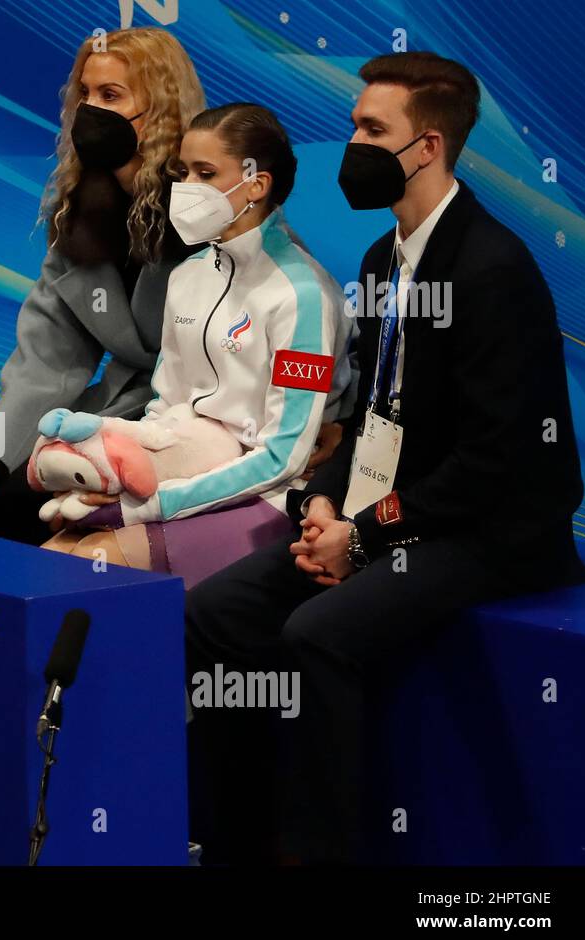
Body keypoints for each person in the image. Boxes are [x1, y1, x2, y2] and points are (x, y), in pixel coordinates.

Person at [183, 51, 585, 865]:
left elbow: (495, 465)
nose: (353, 143)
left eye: (373, 129)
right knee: (215, 611)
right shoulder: (381, 263)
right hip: (396, 514)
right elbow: (371, 414)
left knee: (316, 635)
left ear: (428, 147)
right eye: (355, 124)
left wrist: (366, 537)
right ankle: (230, 844)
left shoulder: (492, 271)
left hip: (491, 532)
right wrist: (324, 504)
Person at [0, 28, 337, 543]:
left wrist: (333, 421)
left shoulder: (217, 214)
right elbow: (47, 364)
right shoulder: (78, 216)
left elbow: (305, 331)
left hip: (214, 436)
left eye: (111, 95)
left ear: (161, 109)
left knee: (53, 526)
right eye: (85, 95)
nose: (90, 110)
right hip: (131, 419)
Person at [40, 103, 358, 588]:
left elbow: (286, 455)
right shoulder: (187, 276)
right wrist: (134, 476)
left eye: (205, 173)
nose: (186, 187)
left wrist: (157, 503)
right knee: (54, 552)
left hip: (271, 494)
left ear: (257, 184)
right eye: (183, 171)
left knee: (89, 562)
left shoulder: (302, 295)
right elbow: (164, 406)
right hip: (188, 469)